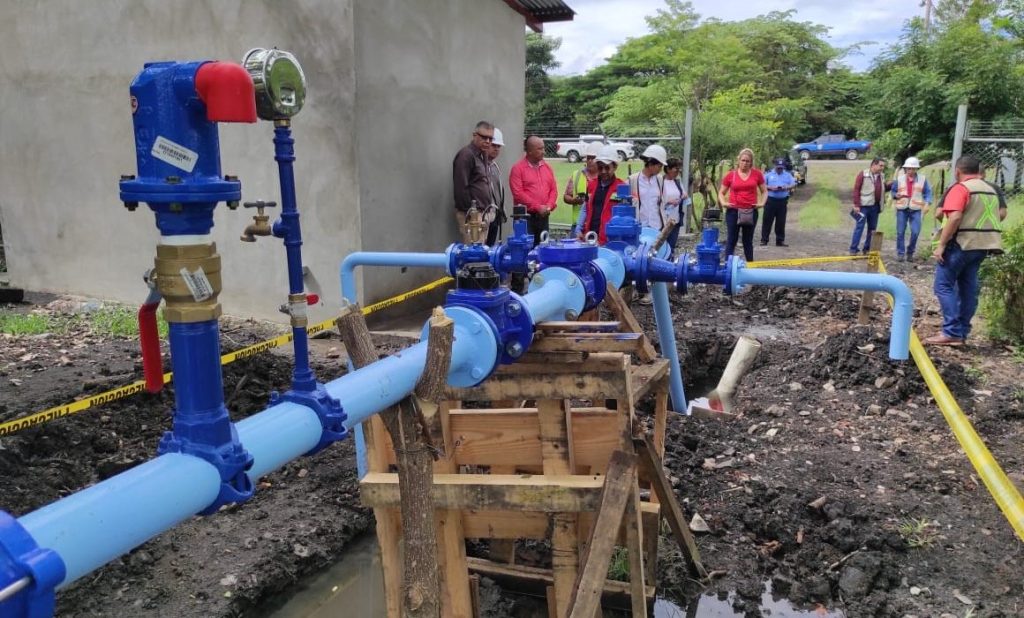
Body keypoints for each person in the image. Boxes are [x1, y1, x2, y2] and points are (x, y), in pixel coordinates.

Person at [924, 155, 1007, 346]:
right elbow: (1001, 214)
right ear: (979, 171)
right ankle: (961, 331)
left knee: (943, 286)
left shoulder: (961, 188)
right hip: (984, 245)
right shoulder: (991, 190)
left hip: (962, 243)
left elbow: (953, 218)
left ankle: (951, 331)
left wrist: (942, 245)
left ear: (958, 171)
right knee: (968, 287)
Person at [718, 148, 766, 262]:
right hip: (733, 211)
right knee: (731, 239)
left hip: (750, 211)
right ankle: (727, 267)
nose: (745, 163)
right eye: (743, 160)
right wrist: (724, 203)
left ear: (751, 162)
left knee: (748, 241)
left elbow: (764, 191)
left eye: (747, 161)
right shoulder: (731, 175)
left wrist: (762, 203)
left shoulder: (757, 174)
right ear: (738, 161)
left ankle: (750, 267)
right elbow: (721, 192)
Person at [509, 135, 558, 246]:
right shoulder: (518, 169)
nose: (544, 151)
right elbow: (518, 193)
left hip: (544, 216)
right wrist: (537, 207)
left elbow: (553, 190)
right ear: (529, 151)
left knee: (543, 248)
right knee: (526, 249)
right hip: (525, 218)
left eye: (543, 148)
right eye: (540, 149)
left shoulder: (547, 167)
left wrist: (549, 206)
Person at [452, 120, 495, 243]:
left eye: (490, 139)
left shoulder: (483, 155)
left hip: (483, 213)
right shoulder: (466, 155)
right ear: (474, 135)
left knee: (481, 254)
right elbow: (461, 188)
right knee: (474, 255)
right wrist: (472, 214)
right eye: (484, 137)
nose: (487, 141)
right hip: (472, 216)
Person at [576, 145, 625, 246]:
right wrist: (578, 228)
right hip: (589, 238)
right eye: (600, 168)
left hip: (609, 241)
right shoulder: (591, 185)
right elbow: (585, 208)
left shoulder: (621, 188)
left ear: (615, 167)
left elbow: (625, 218)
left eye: (607, 168)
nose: (603, 171)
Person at [891, 156, 933, 262]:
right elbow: (893, 192)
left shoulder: (923, 179)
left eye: (913, 168)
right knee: (900, 232)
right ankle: (900, 253)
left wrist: (927, 203)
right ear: (906, 169)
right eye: (909, 168)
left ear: (916, 169)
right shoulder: (899, 179)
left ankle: (910, 252)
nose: (911, 170)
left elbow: (928, 192)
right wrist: (896, 195)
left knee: (915, 232)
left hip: (916, 209)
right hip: (902, 208)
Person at [849, 157, 891, 255]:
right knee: (859, 227)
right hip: (863, 206)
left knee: (872, 229)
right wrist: (856, 204)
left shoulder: (882, 176)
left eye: (883, 166)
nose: (882, 168)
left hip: (875, 207)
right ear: (873, 165)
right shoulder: (863, 174)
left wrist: (892, 185)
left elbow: (883, 188)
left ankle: (867, 249)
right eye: (880, 165)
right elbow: (856, 189)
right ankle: (853, 249)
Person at [563, 142, 600, 234]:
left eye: (593, 158)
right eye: (588, 158)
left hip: (597, 225)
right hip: (577, 226)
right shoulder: (577, 175)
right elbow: (566, 196)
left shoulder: (604, 177)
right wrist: (574, 200)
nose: (590, 161)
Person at [761, 157, 796, 247]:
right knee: (767, 220)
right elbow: (762, 185)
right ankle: (764, 240)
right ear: (775, 166)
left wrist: (786, 187)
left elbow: (793, 184)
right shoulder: (768, 175)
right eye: (778, 167)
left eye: (781, 167)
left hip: (782, 201)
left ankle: (780, 240)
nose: (780, 169)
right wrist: (770, 188)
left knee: (781, 221)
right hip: (770, 200)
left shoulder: (788, 175)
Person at [662, 158, 692, 255]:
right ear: (668, 169)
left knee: (672, 245)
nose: (677, 172)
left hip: (675, 219)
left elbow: (683, 193)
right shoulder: (660, 182)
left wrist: (683, 196)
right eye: (676, 169)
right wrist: (668, 202)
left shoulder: (677, 182)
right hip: (663, 220)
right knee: (661, 244)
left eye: (679, 169)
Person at [483, 128, 507, 246]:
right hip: (484, 216)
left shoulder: (494, 166)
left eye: (499, 146)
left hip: (495, 216)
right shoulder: (480, 166)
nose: (496, 149)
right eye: (494, 145)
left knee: (491, 250)